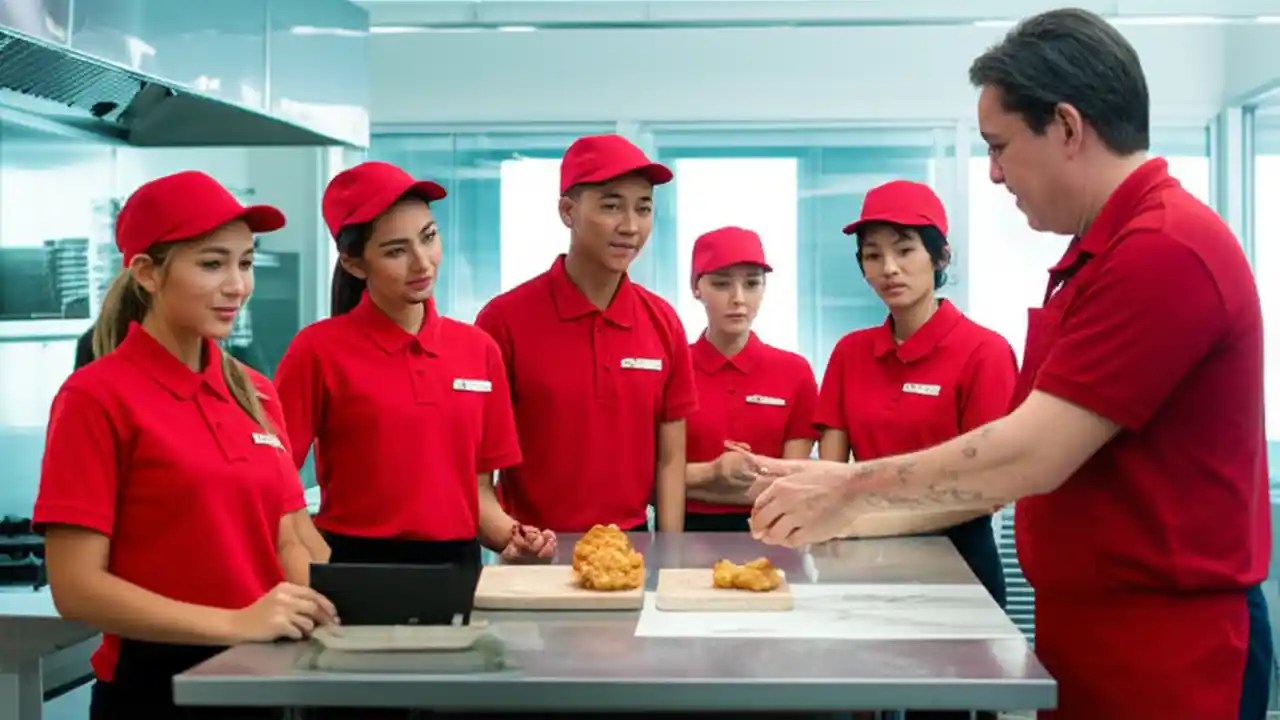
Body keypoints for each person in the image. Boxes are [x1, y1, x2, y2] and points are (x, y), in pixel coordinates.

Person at [742, 8, 1273, 720]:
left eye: (1000, 146)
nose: (992, 173)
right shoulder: (1096, 258)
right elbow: (1007, 469)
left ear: (1067, 127)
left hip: (1170, 642)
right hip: (1094, 629)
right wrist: (843, 501)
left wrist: (851, 486)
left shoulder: (1165, 250)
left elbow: (1027, 458)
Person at [32, 170, 337, 719]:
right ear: (147, 273)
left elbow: (292, 536)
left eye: (245, 263)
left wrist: (372, 613)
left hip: (262, 681)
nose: (237, 285)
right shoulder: (96, 397)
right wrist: (235, 621)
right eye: (212, 263)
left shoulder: (256, 391)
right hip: (156, 692)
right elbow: (76, 587)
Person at [273, 161, 555, 568]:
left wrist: (515, 538)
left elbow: (477, 496)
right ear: (355, 264)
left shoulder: (478, 350)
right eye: (395, 251)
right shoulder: (317, 351)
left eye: (429, 237)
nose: (422, 262)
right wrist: (309, 562)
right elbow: (274, 484)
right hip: (353, 563)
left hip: (458, 567)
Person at [475, 134, 697, 534]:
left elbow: (670, 459)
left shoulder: (663, 322)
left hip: (632, 547)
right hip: (531, 548)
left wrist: (670, 554)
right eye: (611, 206)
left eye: (643, 208)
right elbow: (478, 467)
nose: (630, 226)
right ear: (567, 211)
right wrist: (508, 538)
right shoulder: (502, 321)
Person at [815, 180, 1015, 610]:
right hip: (863, 564)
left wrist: (865, 521)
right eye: (873, 255)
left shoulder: (985, 352)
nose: (888, 267)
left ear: (940, 256)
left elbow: (990, 488)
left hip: (959, 565)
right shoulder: (850, 353)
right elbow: (830, 475)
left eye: (904, 250)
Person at [682, 226, 819, 532]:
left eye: (752, 284)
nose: (738, 299)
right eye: (721, 284)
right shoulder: (674, 369)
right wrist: (712, 472)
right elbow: (648, 481)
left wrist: (691, 484)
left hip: (776, 533)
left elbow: (793, 481)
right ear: (696, 287)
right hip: (685, 535)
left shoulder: (794, 372)